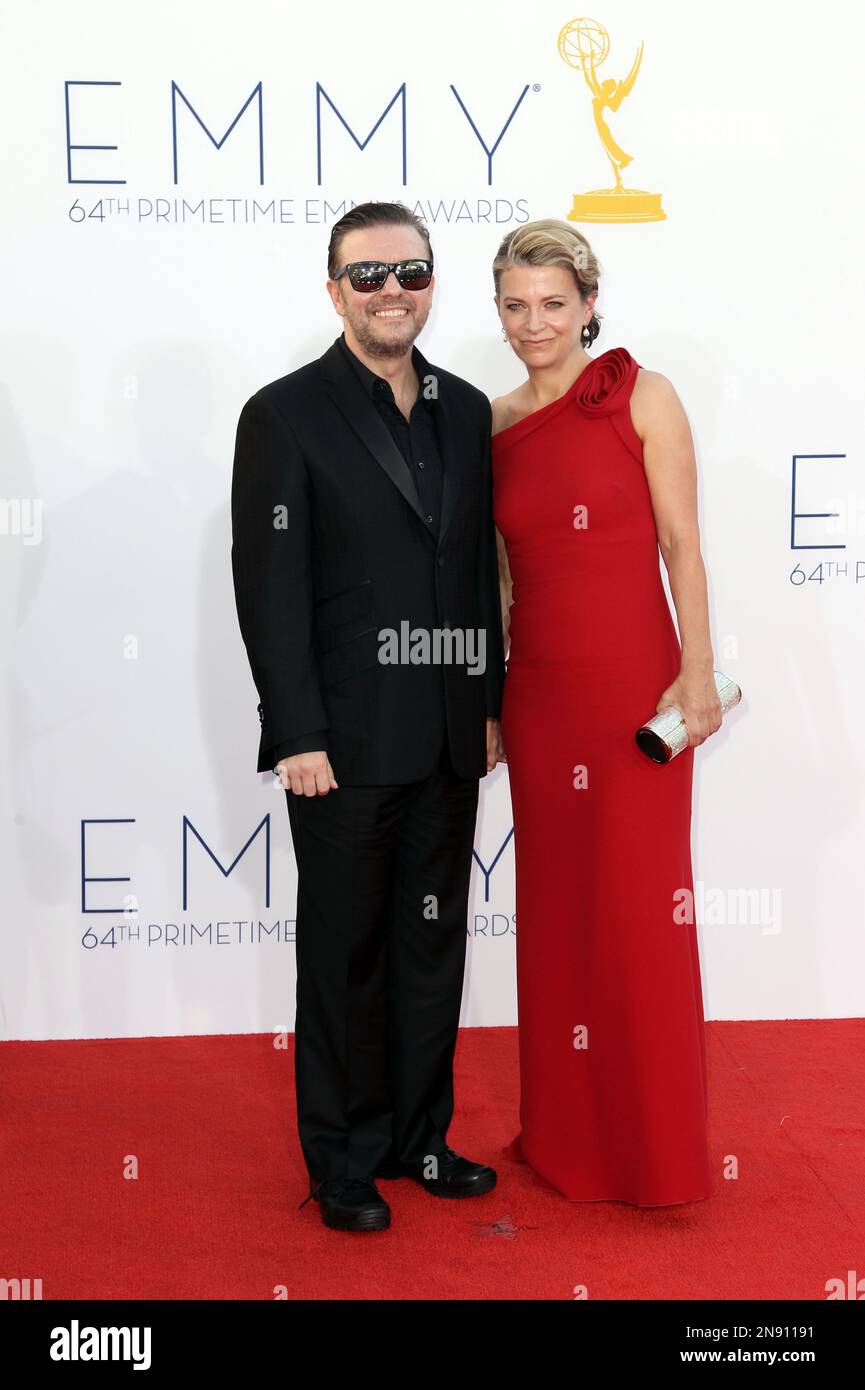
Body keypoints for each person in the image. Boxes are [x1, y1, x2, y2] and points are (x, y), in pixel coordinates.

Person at [230, 201, 505, 1232]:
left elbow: (474, 571)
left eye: (412, 271)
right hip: (339, 744)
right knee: (344, 953)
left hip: (443, 730)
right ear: (334, 287)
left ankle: (419, 1137)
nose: (393, 290)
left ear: (432, 281)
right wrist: (294, 731)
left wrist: (482, 704)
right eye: (370, 274)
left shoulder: (467, 410)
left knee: (430, 942)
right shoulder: (285, 413)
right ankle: (341, 1159)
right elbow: (268, 585)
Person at [490, 219, 721, 1205]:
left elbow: (682, 544)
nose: (533, 323)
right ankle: (564, 1139)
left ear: (589, 302)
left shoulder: (643, 395)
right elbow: (500, 582)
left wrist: (697, 673)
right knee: (555, 915)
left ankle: (653, 1152)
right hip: (539, 696)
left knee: (637, 913)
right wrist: (494, 700)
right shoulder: (492, 423)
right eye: (513, 305)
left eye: (552, 303)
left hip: (635, 685)